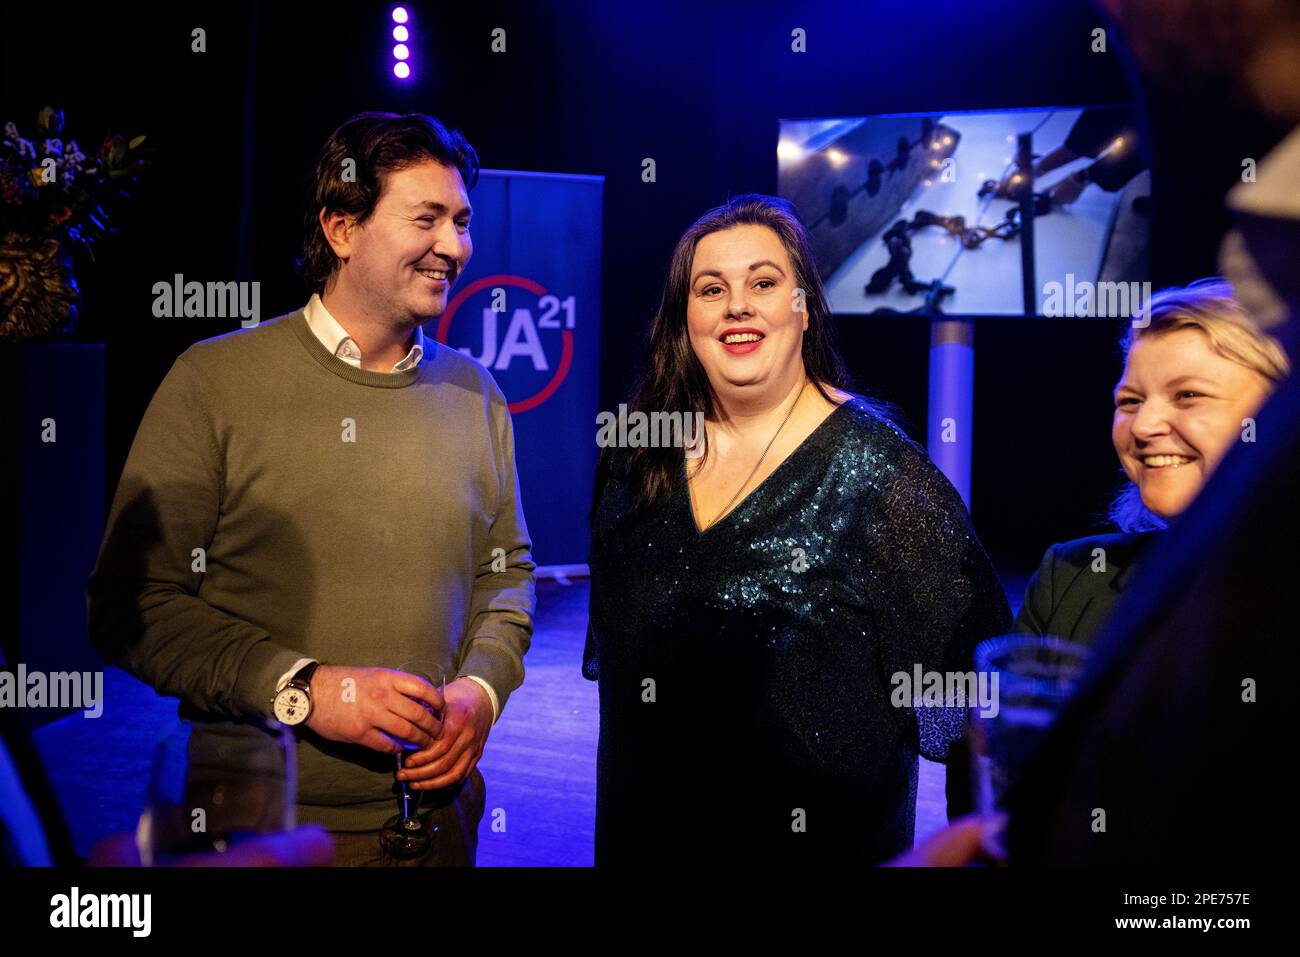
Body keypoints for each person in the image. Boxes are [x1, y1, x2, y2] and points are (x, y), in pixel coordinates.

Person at [86, 112, 535, 866]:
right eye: (426, 218)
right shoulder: (213, 380)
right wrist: (305, 687)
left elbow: (508, 575)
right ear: (341, 228)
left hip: (443, 816)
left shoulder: (478, 391)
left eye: (462, 221)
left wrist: (480, 695)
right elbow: (132, 603)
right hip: (260, 825)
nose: (455, 246)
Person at [583, 194, 1010, 867]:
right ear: (683, 318)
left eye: (763, 282)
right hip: (644, 836)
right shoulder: (637, 456)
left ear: (804, 305)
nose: (737, 305)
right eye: (711, 288)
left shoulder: (882, 473)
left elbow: (972, 704)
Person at [1012, 279, 1288, 642]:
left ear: (1285, 410)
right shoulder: (1071, 580)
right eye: (1130, 401)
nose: (1142, 426)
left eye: (1188, 395)